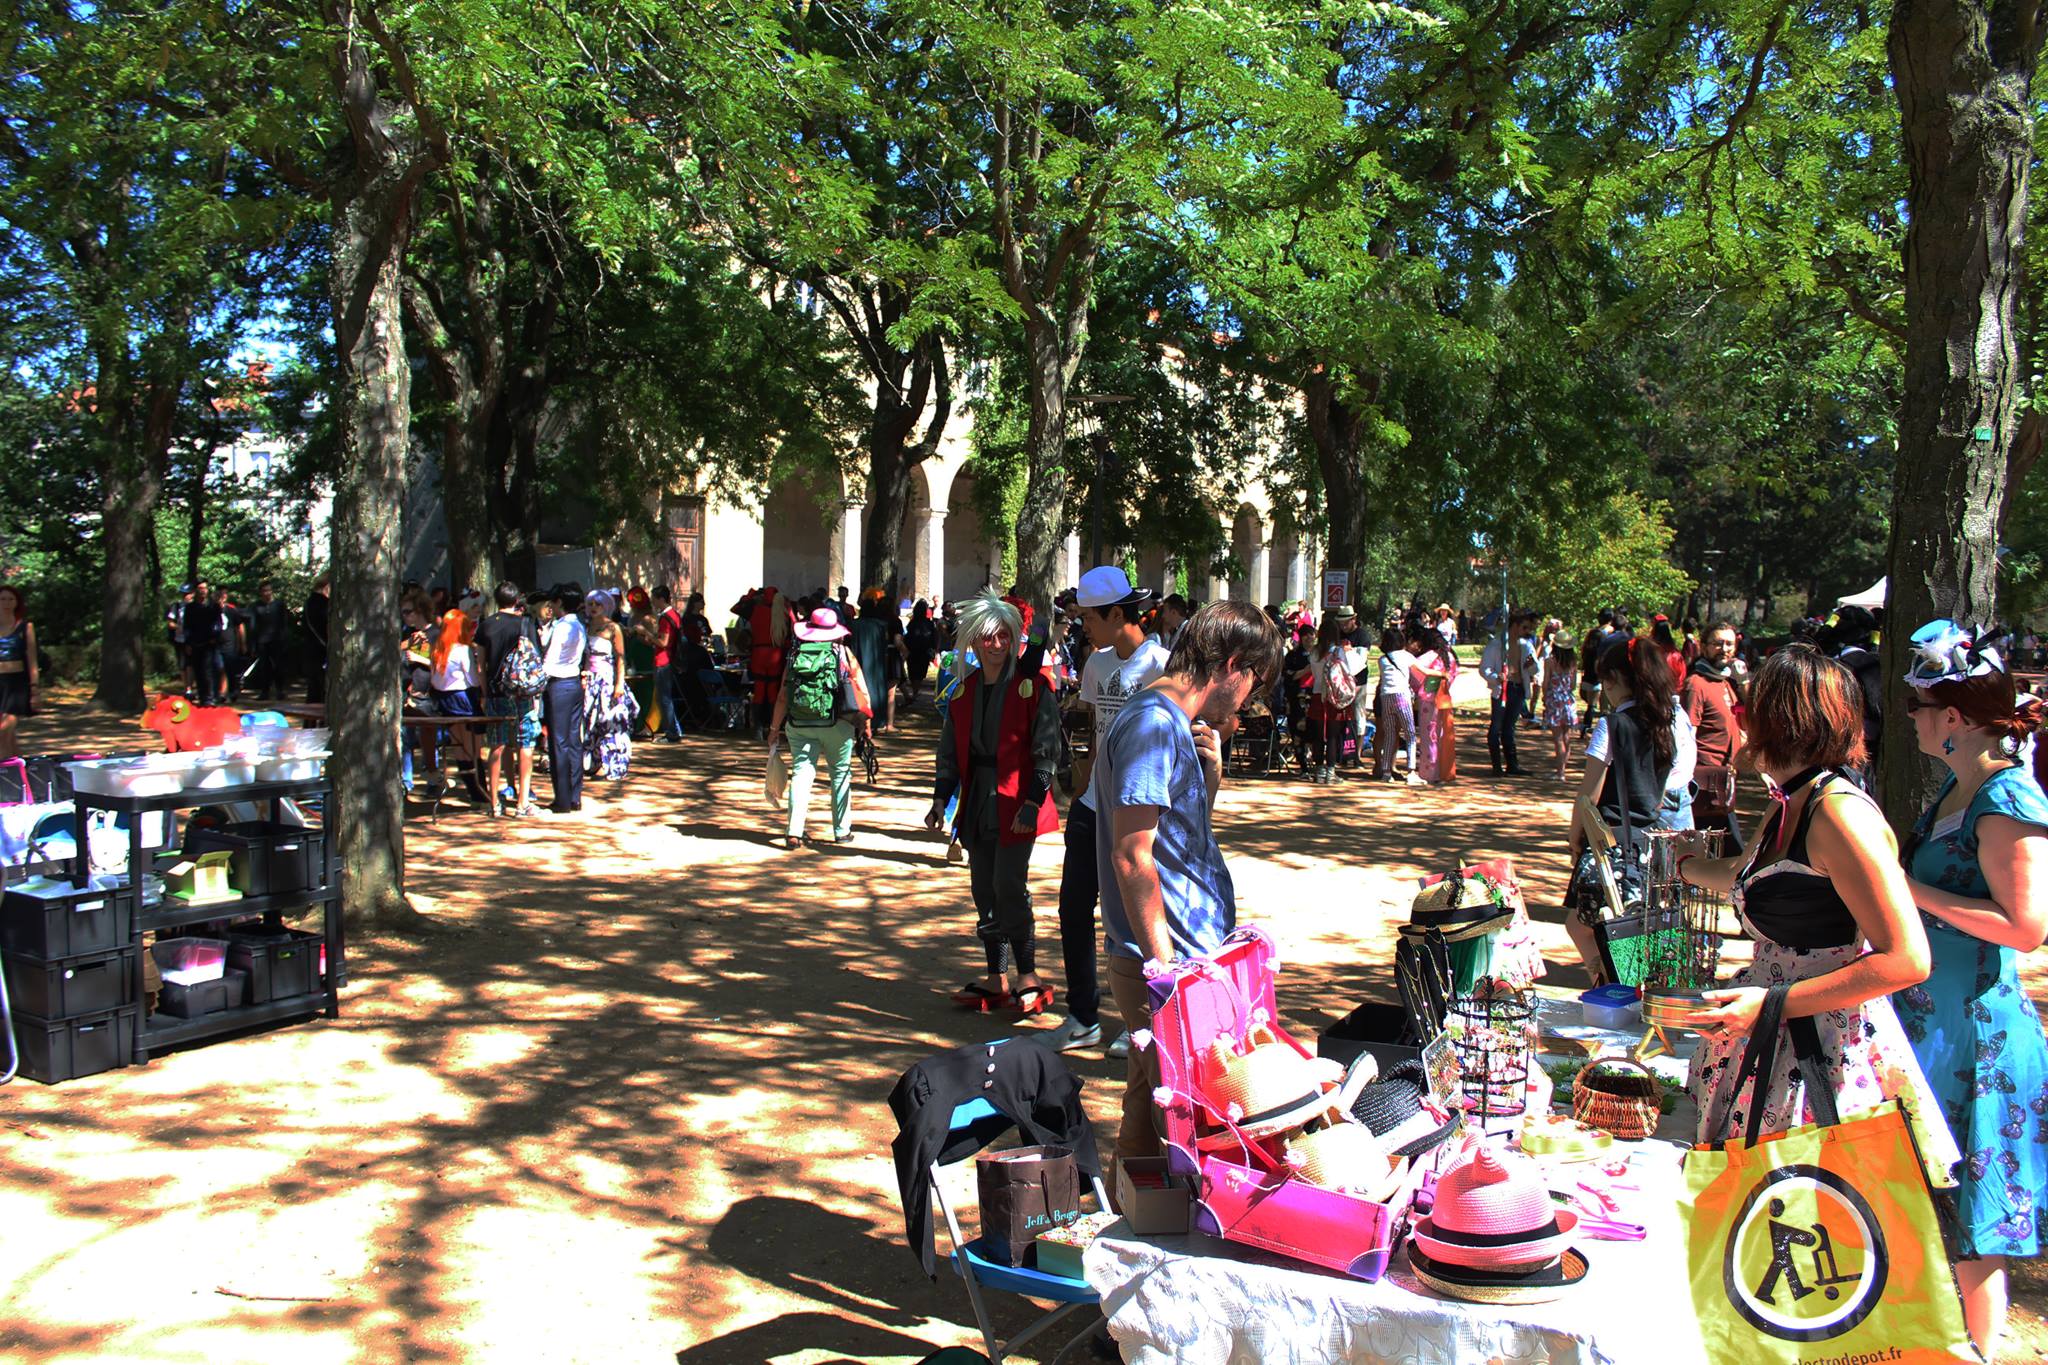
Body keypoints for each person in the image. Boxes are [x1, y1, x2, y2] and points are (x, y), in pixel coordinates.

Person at [1675, 646, 1952, 1217]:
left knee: (1810, 1228)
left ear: (1778, 720)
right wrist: (1681, 865)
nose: (1738, 716)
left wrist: (1774, 1002)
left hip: (1821, 1053)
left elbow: (1907, 958)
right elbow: (1742, 873)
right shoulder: (1789, 802)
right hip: (1774, 1038)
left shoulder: (1840, 814)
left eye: (1747, 706)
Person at [1889, 621, 2048, 1362]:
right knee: (1930, 1210)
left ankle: (1978, 1353)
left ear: (1954, 717)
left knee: (1975, 1231)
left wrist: (1910, 888)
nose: (1914, 718)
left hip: (1979, 1043)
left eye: (1922, 705)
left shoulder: (2010, 796)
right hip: (1937, 1033)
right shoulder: (1963, 785)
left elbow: (2026, 926)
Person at [1095, 600, 1283, 1161]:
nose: (1248, 700)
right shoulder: (1153, 723)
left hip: (1181, 956)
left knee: (1147, 1106)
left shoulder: (1172, 723)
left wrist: (1212, 777)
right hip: (1166, 962)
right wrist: (1167, 971)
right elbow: (1132, 855)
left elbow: (1177, 840)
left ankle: (1125, 1217)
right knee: (1187, 1115)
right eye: (1254, 682)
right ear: (1231, 665)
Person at [1046, 567, 1166, 1055]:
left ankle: (1145, 1025)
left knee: (1135, 920)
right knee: (1073, 909)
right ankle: (1083, 1017)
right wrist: (1083, 786)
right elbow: (1096, 729)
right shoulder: (1095, 664)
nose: (1082, 626)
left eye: (1089, 617)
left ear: (1119, 614)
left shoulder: (1161, 664)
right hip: (1093, 805)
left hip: (1136, 813)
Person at [925, 591, 1061, 1013]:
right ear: (974, 640)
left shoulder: (1032, 687)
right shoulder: (962, 692)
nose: (995, 644)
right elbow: (949, 753)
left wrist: (1032, 802)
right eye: (987, 637)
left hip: (1019, 801)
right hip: (977, 802)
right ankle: (995, 976)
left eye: (1003, 636)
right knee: (982, 888)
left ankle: (1028, 974)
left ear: (1014, 638)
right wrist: (939, 800)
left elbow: (1047, 751)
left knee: (1008, 887)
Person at [1565, 636, 1678, 976]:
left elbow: (1588, 797)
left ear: (1614, 678)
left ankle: (1609, 982)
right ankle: (1621, 985)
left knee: (1585, 925)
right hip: (1649, 844)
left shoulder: (1611, 726)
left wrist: (1574, 837)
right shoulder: (1665, 725)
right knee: (1628, 924)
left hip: (1610, 845)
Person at [772, 606, 873, 847]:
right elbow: (861, 691)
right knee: (840, 774)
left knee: (801, 774)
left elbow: (783, 697)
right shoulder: (844, 654)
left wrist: (774, 728)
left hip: (799, 723)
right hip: (838, 724)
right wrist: (866, 724)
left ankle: (794, 831)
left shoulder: (795, 655)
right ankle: (842, 831)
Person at [475, 582, 541, 818]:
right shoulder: (525, 623)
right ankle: (523, 802)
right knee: (526, 744)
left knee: (497, 745)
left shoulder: (486, 626)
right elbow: (535, 658)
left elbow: (480, 665)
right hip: (522, 691)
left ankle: (494, 803)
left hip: (496, 692)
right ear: (517, 600)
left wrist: (484, 692)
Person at [1683, 619, 1747, 842]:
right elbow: (1686, 734)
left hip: (1724, 782)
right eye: (1718, 643)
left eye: (1729, 644)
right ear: (1704, 646)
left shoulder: (1727, 682)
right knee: (1724, 852)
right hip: (1704, 786)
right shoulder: (1696, 683)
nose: (1724, 649)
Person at [1300, 607, 1367, 783]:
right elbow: (1349, 671)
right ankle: (1330, 772)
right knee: (1332, 736)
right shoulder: (1338, 652)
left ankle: (1319, 771)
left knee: (1318, 736)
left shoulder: (1314, 652)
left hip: (1317, 696)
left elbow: (1314, 674)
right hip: (1334, 698)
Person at [540, 583, 588, 814]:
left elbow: (551, 659)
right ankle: (575, 794)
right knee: (572, 740)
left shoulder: (561, 627)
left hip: (558, 684)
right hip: (574, 682)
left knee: (559, 742)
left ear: (560, 603)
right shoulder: (578, 625)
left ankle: (563, 798)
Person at [581, 589, 636, 781]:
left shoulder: (613, 628)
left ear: (607, 606)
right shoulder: (585, 627)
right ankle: (593, 763)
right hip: (590, 680)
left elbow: (621, 658)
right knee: (591, 721)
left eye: (598, 604)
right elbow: (586, 656)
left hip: (608, 680)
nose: (594, 608)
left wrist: (619, 684)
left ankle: (611, 763)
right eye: (591, 604)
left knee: (609, 722)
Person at [848, 592, 907, 734]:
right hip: (877, 663)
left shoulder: (853, 625)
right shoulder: (880, 625)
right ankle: (877, 721)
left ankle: (857, 722)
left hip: (858, 661)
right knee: (879, 691)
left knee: (858, 690)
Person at [1374, 625, 1420, 783]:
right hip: (1402, 696)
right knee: (1410, 734)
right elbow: (1423, 672)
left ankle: (1386, 772)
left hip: (1385, 696)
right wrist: (1441, 674)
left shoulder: (1382, 659)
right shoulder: (1406, 656)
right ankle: (1411, 771)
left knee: (1389, 735)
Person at [0, 586, 36, 762]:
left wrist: (35, 687)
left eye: (10, 599)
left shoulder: (25, 627)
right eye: (3, 599)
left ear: (16, 602)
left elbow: (32, 658)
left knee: (3, 731)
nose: (6, 603)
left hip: (16, 684)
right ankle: (22, 773)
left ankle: (5, 775)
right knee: (9, 738)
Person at [1543, 639, 1578, 780]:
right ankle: (1562, 770)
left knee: (1557, 738)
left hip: (1554, 700)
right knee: (1566, 736)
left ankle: (1560, 773)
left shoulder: (1550, 662)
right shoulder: (1573, 663)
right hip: (1568, 700)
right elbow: (1574, 685)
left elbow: (1546, 683)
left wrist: (1545, 698)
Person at [249, 580, 291, 699]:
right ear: (260, 593)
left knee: (279, 666)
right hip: (262, 641)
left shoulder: (279, 604)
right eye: (264, 591)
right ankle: (264, 691)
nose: (266, 593)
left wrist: (285, 639)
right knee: (264, 667)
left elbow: (284, 623)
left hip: (277, 640)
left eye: (268, 590)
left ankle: (280, 690)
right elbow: (253, 625)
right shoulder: (256, 606)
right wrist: (253, 644)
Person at [184, 578, 222, 704]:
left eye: (204, 588)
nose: (203, 591)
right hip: (196, 643)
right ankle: (202, 696)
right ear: (196, 591)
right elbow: (187, 626)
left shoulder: (213, 606)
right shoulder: (190, 608)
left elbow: (218, 623)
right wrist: (188, 642)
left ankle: (211, 697)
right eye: (200, 589)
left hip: (209, 643)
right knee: (198, 671)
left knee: (210, 670)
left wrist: (215, 637)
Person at [303, 577, 330, 704]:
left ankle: (309, 723)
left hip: (310, 650)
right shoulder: (325, 604)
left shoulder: (308, 603)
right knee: (323, 689)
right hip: (323, 650)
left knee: (313, 690)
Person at [905, 600, 937, 701]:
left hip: (913, 650)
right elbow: (934, 637)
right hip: (924, 650)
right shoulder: (929, 623)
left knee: (913, 671)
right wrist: (934, 648)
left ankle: (915, 690)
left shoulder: (912, 623)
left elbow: (908, 636)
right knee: (920, 672)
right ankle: (916, 691)